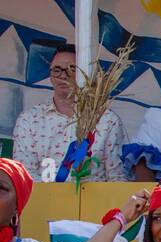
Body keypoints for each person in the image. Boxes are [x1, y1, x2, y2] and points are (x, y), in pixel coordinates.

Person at [13, 42, 125, 182]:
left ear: (86, 74)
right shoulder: (29, 120)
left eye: (72, 69)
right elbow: (25, 176)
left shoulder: (106, 120)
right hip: (46, 201)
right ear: (50, 75)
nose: (63, 76)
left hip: (96, 202)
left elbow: (117, 176)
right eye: (57, 70)